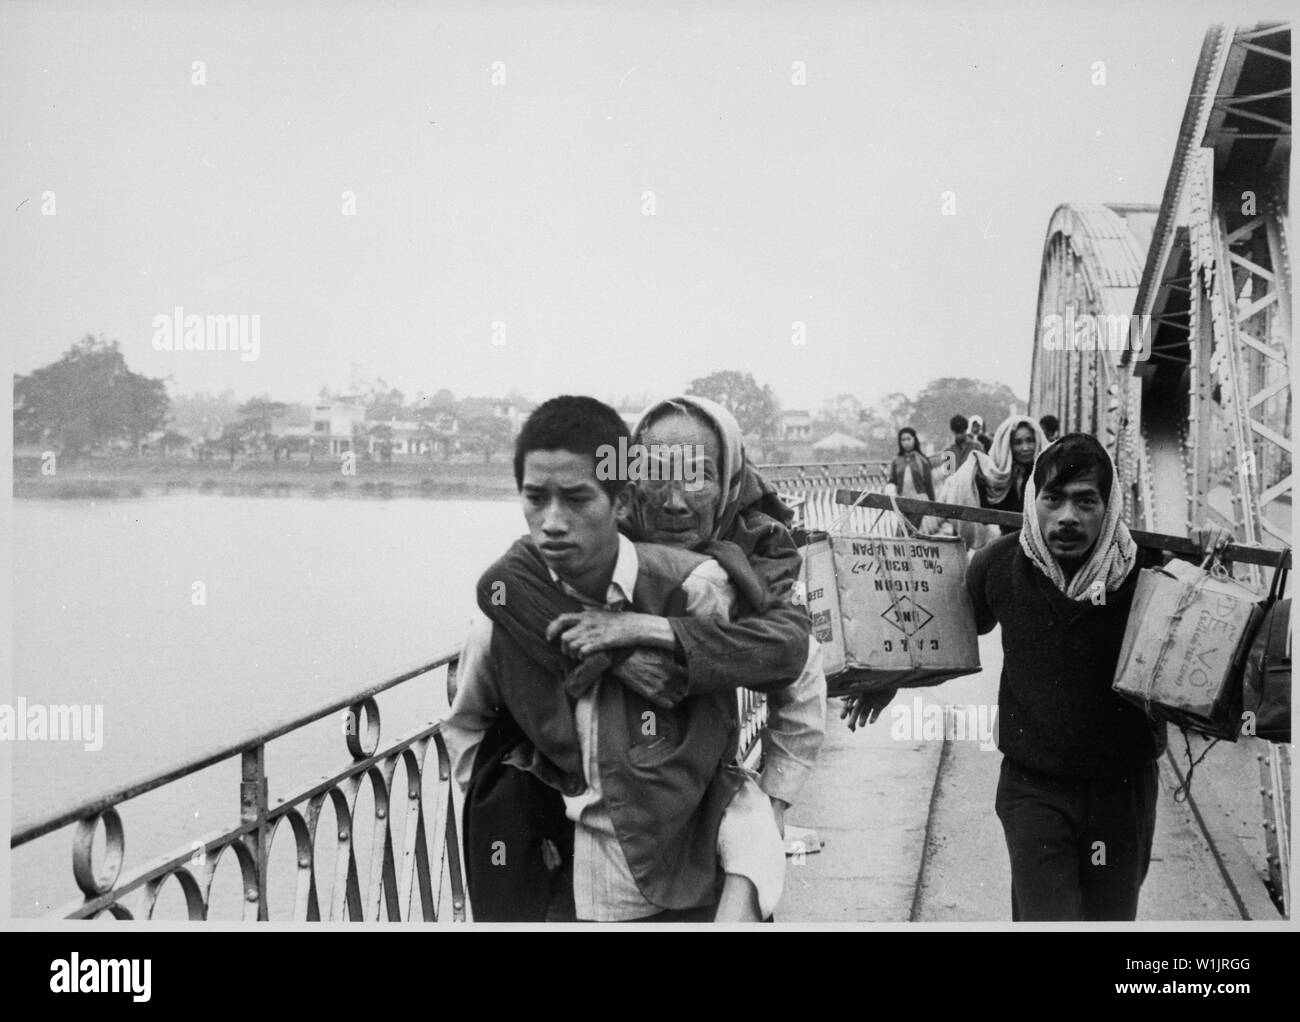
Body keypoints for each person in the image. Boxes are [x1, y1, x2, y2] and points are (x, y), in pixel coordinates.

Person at [443, 395, 794, 922]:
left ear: (619, 502)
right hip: (563, 893)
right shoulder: (506, 611)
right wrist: (512, 816)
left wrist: (650, 631)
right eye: (536, 499)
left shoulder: (699, 587)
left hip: (683, 887)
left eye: (579, 499)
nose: (554, 522)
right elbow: (467, 726)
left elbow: (791, 660)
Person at [547, 394, 827, 920]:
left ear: (728, 483)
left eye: (697, 477)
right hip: (593, 824)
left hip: (704, 812)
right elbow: (519, 609)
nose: (675, 502)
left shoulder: (751, 557)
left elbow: (794, 657)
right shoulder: (598, 541)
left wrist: (775, 803)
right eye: (656, 475)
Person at [966, 433, 1230, 921]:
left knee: (1110, 918)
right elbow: (947, 635)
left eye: (1086, 501)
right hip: (1033, 787)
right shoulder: (998, 566)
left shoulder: (1156, 574)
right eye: (1053, 499)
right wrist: (884, 680)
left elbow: (1217, 631)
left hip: (1121, 790)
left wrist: (1213, 557)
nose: (1067, 517)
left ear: (1109, 509)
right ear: (1033, 500)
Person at [930, 414, 1049, 547]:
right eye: (957, 432)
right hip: (964, 494)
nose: (960, 435)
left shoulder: (976, 446)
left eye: (962, 431)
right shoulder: (949, 452)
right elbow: (948, 475)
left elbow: (988, 467)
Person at [887, 426, 936, 529]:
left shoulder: (922, 460)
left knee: (912, 529)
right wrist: (890, 489)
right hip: (902, 500)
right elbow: (892, 480)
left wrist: (933, 503)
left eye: (909, 439)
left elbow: (928, 483)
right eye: (903, 440)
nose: (906, 442)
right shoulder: (896, 460)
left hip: (919, 500)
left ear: (914, 439)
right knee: (902, 531)